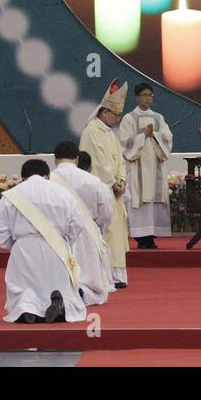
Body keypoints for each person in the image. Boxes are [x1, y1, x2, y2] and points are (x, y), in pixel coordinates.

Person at [0, 159, 89, 323]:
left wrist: (14, 244)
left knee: (25, 288)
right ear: (48, 175)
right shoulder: (62, 192)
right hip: (55, 247)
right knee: (57, 283)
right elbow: (77, 222)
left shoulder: (13, 195)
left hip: (25, 247)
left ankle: (27, 309)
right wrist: (64, 241)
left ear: (23, 177)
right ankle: (59, 304)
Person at [80, 80, 130, 287]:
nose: (117, 119)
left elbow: (120, 159)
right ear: (104, 111)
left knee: (117, 234)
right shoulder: (91, 131)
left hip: (114, 190)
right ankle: (106, 276)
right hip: (102, 190)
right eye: (115, 115)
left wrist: (122, 180)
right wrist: (112, 182)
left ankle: (118, 275)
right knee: (107, 233)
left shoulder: (110, 133)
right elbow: (97, 161)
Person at [53, 141, 115, 305]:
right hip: (87, 233)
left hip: (56, 235)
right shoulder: (93, 181)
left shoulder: (48, 181)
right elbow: (107, 212)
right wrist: (98, 228)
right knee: (91, 279)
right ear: (77, 159)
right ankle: (83, 293)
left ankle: (62, 294)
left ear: (55, 160)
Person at [119, 83, 173, 249]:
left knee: (154, 202)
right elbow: (125, 143)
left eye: (150, 95)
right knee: (139, 201)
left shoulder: (158, 118)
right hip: (137, 168)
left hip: (155, 167)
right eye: (144, 95)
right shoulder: (129, 118)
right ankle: (142, 238)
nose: (147, 98)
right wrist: (143, 135)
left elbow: (167, 139)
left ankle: (151, 237)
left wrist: (154, 134)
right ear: (136, 97)